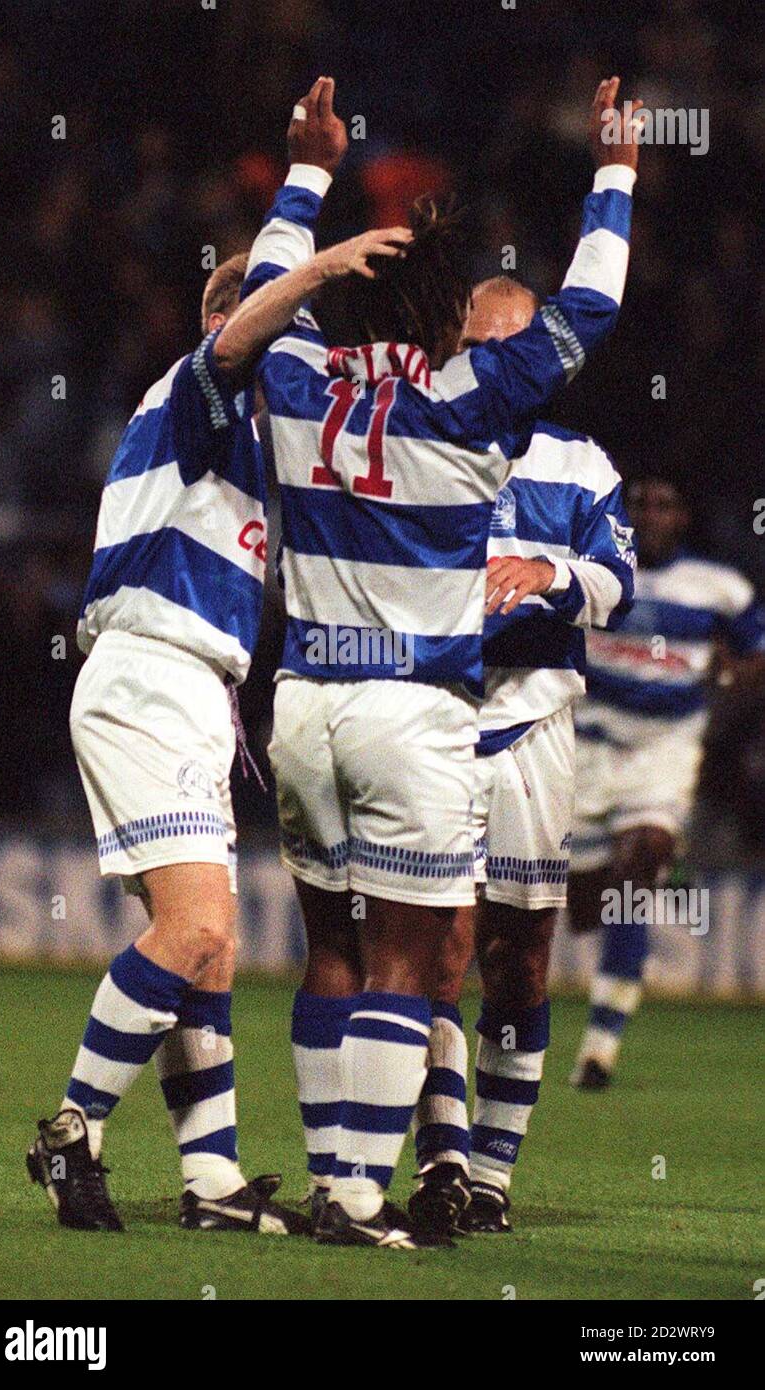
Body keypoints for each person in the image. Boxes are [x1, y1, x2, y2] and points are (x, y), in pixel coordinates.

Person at [218, 76, 642, 1246]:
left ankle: (326, 1180)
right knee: (419, 959)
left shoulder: (295, 377)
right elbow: (592, 309)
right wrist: (615, 172)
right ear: (447, 309)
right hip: (416, 710)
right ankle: (358, 1193)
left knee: (331, 951)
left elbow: (264, 294)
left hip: (301, 703)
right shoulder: (470, 398)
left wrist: (307, 175)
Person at [26, 79, 398, 1235]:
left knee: (215, 951)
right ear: (220, 324)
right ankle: (71, 1129)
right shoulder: (191, 394)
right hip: (147, 673)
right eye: (256, 310)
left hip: (194, 692)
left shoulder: (249, 451)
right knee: (189, 931)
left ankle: (214, 1183)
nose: (276, 323)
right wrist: (320, 234)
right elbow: (251, 315)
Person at [407, 274, 635, 1238]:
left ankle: (494, 1171)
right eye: (482, 349)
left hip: (537, 720)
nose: (501, 369)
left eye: (518, 350)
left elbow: (618, 583)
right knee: (435, 948)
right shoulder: (418, 442)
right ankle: (443, 1159)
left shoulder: (581, 465)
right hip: (432, 716)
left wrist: (547, 573)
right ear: (458, 350)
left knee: (521, 957)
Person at [568, 474, 765, 1087]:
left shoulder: (719, 588)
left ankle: (600, 1045)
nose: (651, 514)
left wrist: (729, 675)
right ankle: (607, 879)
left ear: (683, 518)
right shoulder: (591, 569)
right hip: (585, 746)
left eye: (665, 504)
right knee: (581, 908)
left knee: (640, 868)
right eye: (641, 503)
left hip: (665, 749)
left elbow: (756, 653)